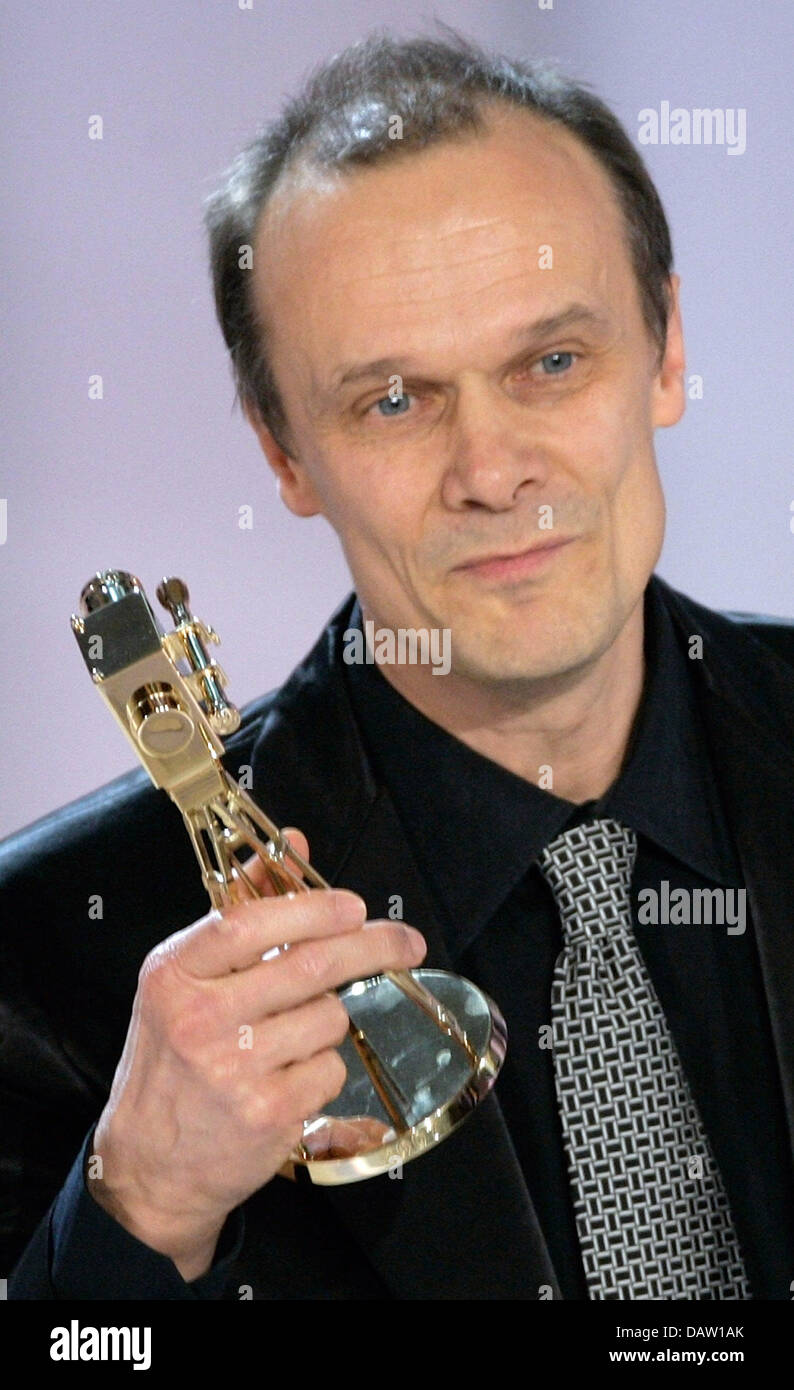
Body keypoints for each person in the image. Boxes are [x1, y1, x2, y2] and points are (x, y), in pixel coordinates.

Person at [3, 30, 794, 1301]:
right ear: (284, 453)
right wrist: (138, 1214)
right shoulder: (43, 958)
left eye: (550, 361)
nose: (491, 471)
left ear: (666, 349)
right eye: (391, 399)